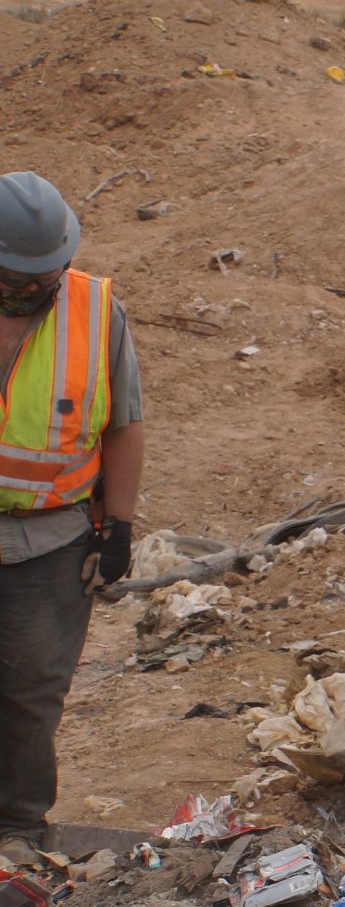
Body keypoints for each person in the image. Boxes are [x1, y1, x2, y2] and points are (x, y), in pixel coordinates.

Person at [1, 173, 145, 866]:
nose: (34, 288)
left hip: (49, 541)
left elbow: (123, 424)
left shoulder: (93, 310)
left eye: (45, 274)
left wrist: (118, 525)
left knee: (30, 697)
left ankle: (19, 831)